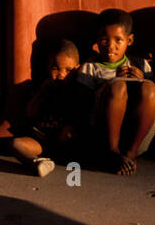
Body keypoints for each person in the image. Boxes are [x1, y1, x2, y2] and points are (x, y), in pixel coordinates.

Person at [75, 8, 155, 175]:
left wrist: (142, 79)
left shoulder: (141, 64)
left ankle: (131, 153)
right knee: (118, 86)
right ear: (97, 40)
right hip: (103, 135)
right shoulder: (90, 68)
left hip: (136, 135)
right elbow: (81, 105)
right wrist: (111, 84)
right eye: (104, 40)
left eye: (118, 40)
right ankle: (112, 153)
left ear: (130, 40)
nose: (110, 46)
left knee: (149, 87)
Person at [9, 40, 92, 177]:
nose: (61, 74)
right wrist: (42, 92)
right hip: (41, 143)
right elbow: (30, 112)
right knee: (15, 143)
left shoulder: (78, 90)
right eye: (55, 68)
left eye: (68, 70)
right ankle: (38, 163)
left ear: (77, 69)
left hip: (64, 143)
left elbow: (81, 118)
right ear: (48, 67)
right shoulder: (43, 87)